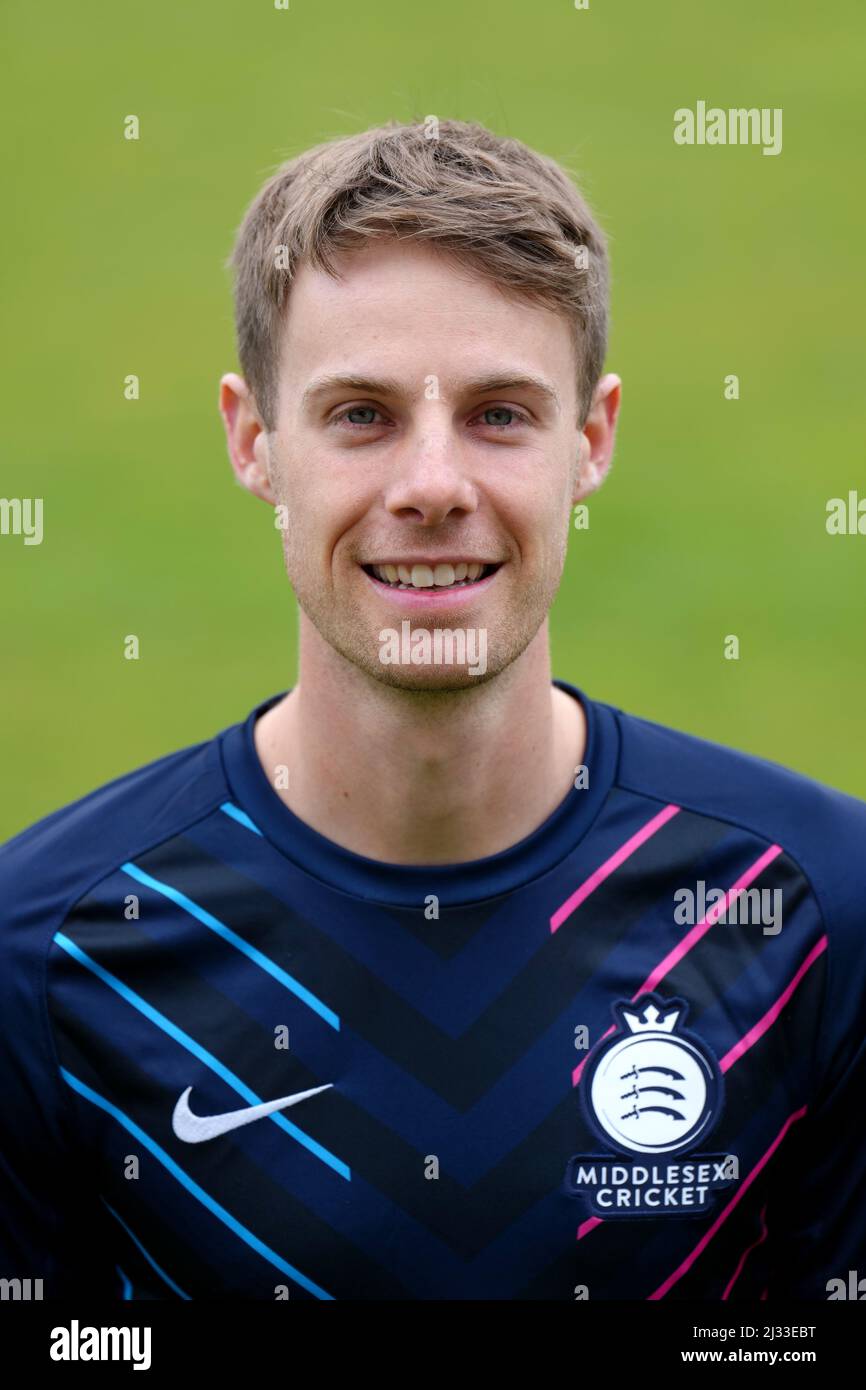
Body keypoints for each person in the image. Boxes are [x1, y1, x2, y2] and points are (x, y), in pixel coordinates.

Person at [0, 119, 863, 1302]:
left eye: (499, 412)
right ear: (254, 442)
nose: (431, 488)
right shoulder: (46, 950)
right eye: (359, 414)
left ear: (591, 438)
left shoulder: (817, 907)